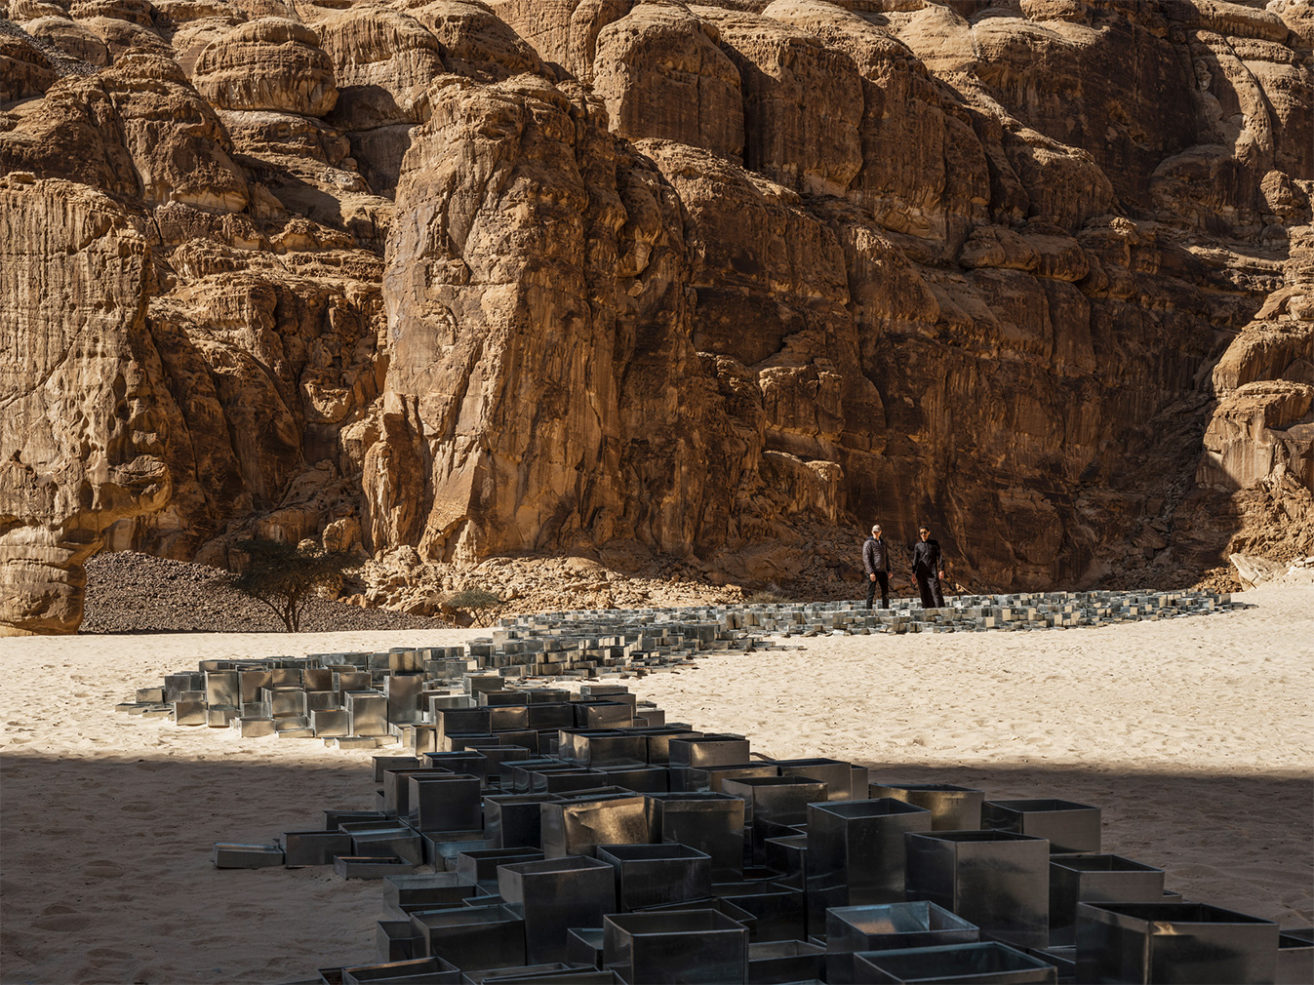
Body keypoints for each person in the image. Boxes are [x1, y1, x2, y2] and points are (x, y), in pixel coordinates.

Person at [911, 524, 945, 608]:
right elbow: (915, 560)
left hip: (932, 572)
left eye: (925, 532)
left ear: (929, 533)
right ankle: (928, 614)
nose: (923, 534)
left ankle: (941, 612)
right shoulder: (918, 546)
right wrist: (913, 573)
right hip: (921, 573)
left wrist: (941, 569)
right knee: (924, 593)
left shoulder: (934, 544)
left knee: (935, 592)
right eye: (921, 533)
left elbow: (940, 556)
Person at [862, 524, 890, 609]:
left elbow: (886, 557)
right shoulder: (868, 543)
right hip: (873, 571)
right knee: (871, 593)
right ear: (872, 532)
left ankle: (886, 610)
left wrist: (889, 570)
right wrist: (871, 572)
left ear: (880, 532)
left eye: (877, 531)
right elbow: (866, 558)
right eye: (874, 532)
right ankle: (868, 612)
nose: (876, 533)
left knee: (885, 592)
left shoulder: (883, 543)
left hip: (883, 571)